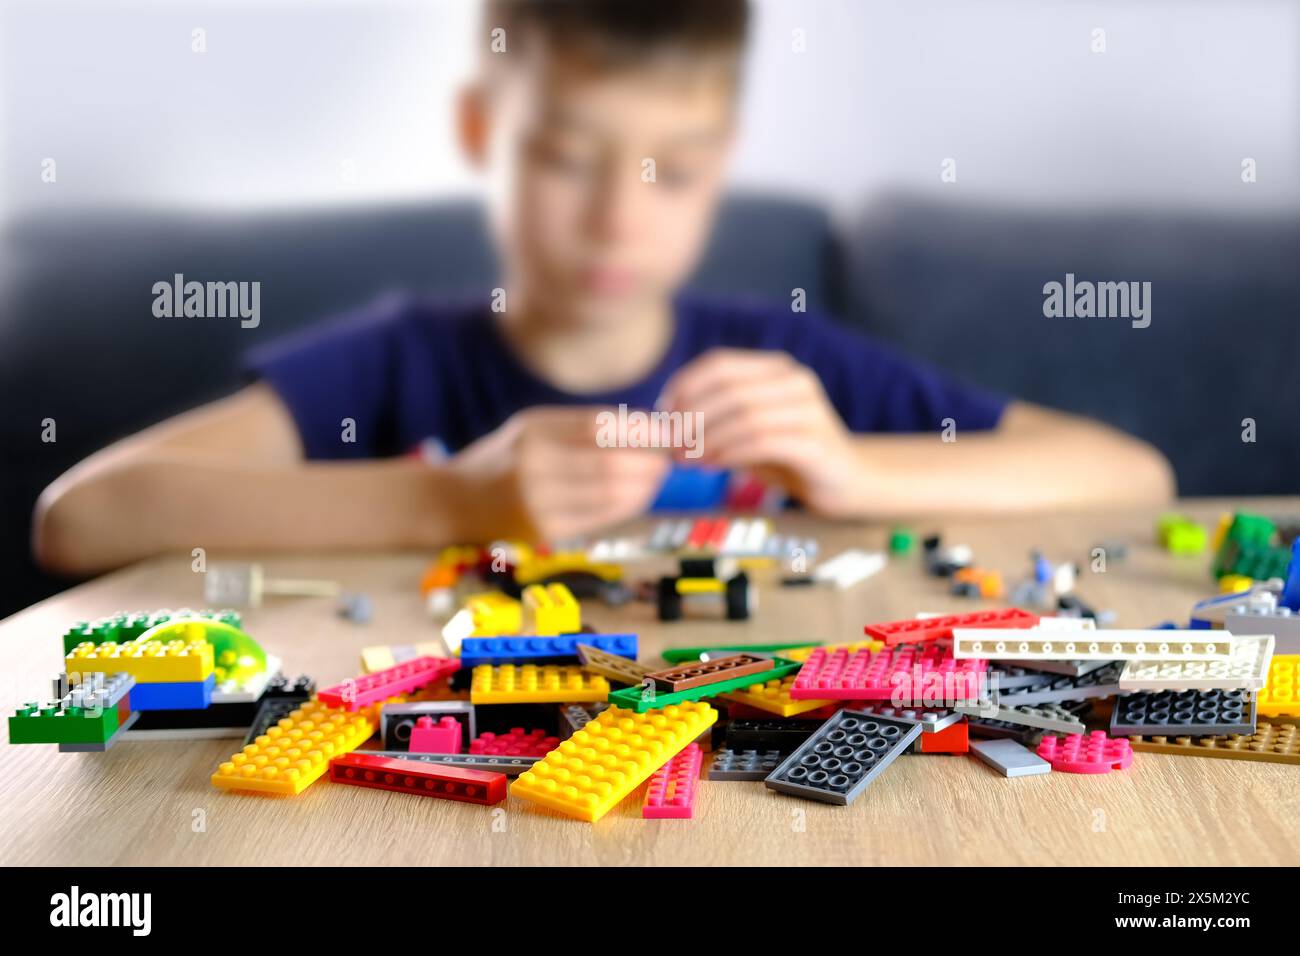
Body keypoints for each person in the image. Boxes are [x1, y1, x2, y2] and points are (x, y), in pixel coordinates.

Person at [33, 0, 1173, 576]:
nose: (617, 214)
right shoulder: (396, 360)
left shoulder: (791, 365)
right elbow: (83, 515)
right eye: (568, 159)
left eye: (668, 171)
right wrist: (453, 506)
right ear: (484, 131)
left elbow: (1131, 474)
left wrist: (851, 464)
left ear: (719, 163)